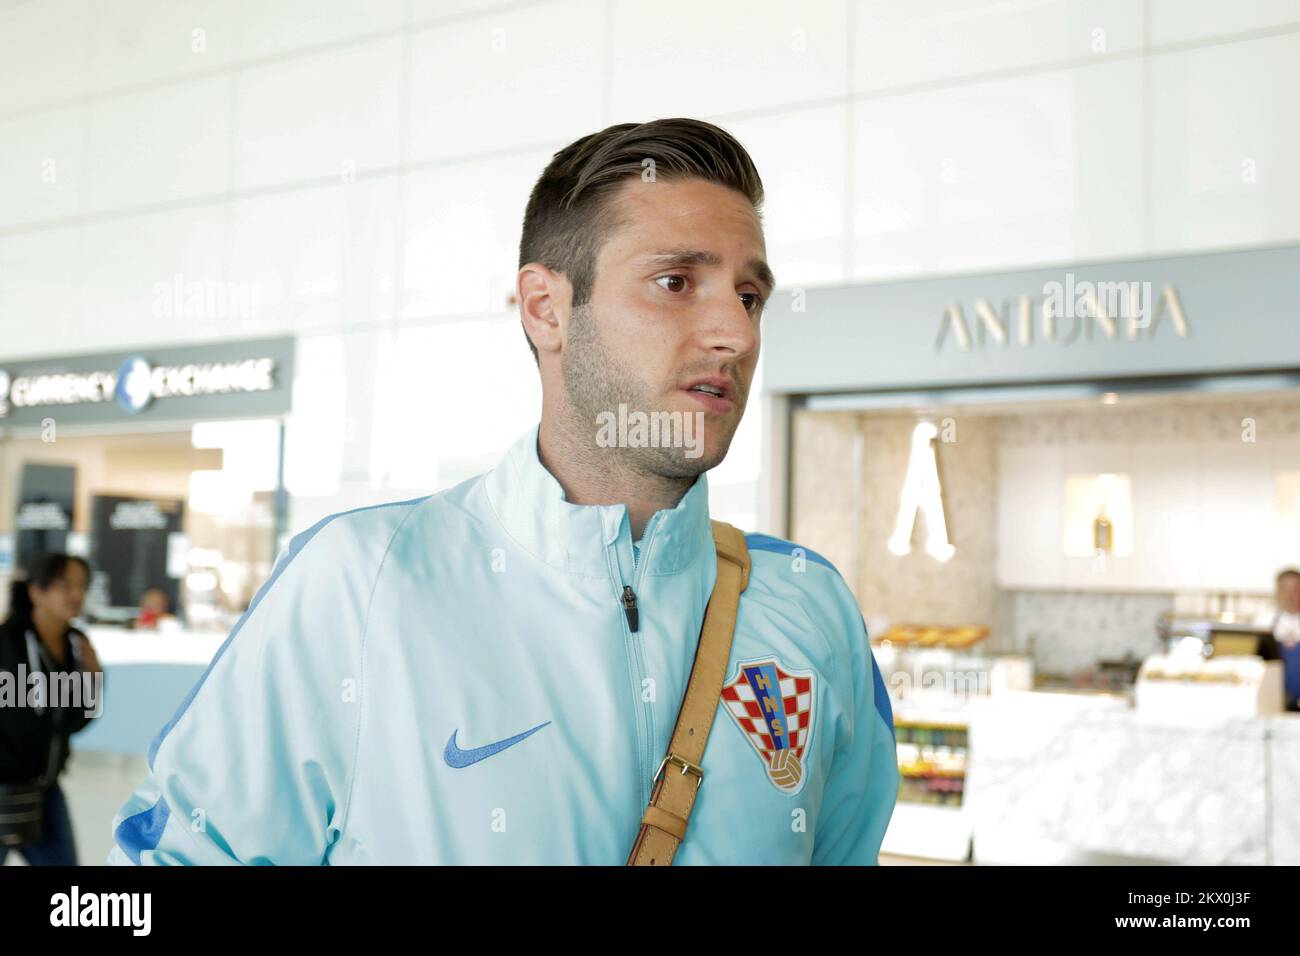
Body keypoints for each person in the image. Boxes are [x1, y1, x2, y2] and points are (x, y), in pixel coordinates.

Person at [107, 117, 899, 865]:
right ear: (546, 309)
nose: (737, 332)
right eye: (675, 281)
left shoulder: (809, 608)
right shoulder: (362, 583)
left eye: (750, 296)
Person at [0, 552, 101, 865]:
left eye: (82, 587)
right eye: (64, 586)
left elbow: (72, 722)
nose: (76, 595)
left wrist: (93, 679)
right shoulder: (7, 643)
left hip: (44, 790)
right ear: (36, 591)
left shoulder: (76, 645)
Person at [1259, 568, 1300, 711]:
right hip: (1273, 701)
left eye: (1295, 589)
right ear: (1277, 592)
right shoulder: (1264, 622)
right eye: (1284, 590)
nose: (1289, 596)